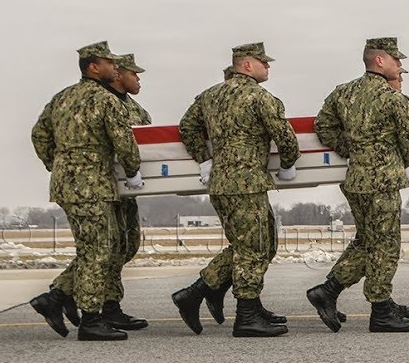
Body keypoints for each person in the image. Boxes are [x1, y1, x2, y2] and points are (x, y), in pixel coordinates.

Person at [170, 42, 298, 338]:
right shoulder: (261, 97)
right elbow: (284, 135)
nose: (268, 67)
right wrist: (289, 163)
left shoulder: (210, 96)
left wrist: (205, 158)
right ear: (247, 65)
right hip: (248, 184)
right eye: (263, 62)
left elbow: (187, 126)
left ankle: (199, 294)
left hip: (221, 183)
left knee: (260, 245)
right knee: (253, 249)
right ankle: (246, 315)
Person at [29, 41, 143, 341]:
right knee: (100, 249)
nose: (114, 68)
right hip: (94, 184)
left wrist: (57, 163)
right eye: (109, 63)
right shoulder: (104, 100)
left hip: (67, 183)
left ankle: (55, 299)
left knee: (97, 246)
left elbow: (39, 134)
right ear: (94, 66)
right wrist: (133, 172)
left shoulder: (62, 98)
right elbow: (125, 143)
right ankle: (91, 319)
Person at [308, 37, 409, 332]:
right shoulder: (394, 99)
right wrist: (401, 162)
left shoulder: (344, 93)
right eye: (396, 59)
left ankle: (329, 292)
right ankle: (381, 311)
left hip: (356, 179)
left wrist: (349, 147)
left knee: (368, 241)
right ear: (380, 60)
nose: (400, 64)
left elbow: (323, 125)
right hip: (383, 181)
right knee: (385, 245)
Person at [99, 53, 151, 331]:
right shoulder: (98, 101)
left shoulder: (136, 108)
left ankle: (62, 295)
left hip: (126, 191)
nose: (138, 78)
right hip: (102, 187)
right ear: (118, 74)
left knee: (126, 246)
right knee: (103, 249)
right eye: (134, 73)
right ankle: (105, 306)